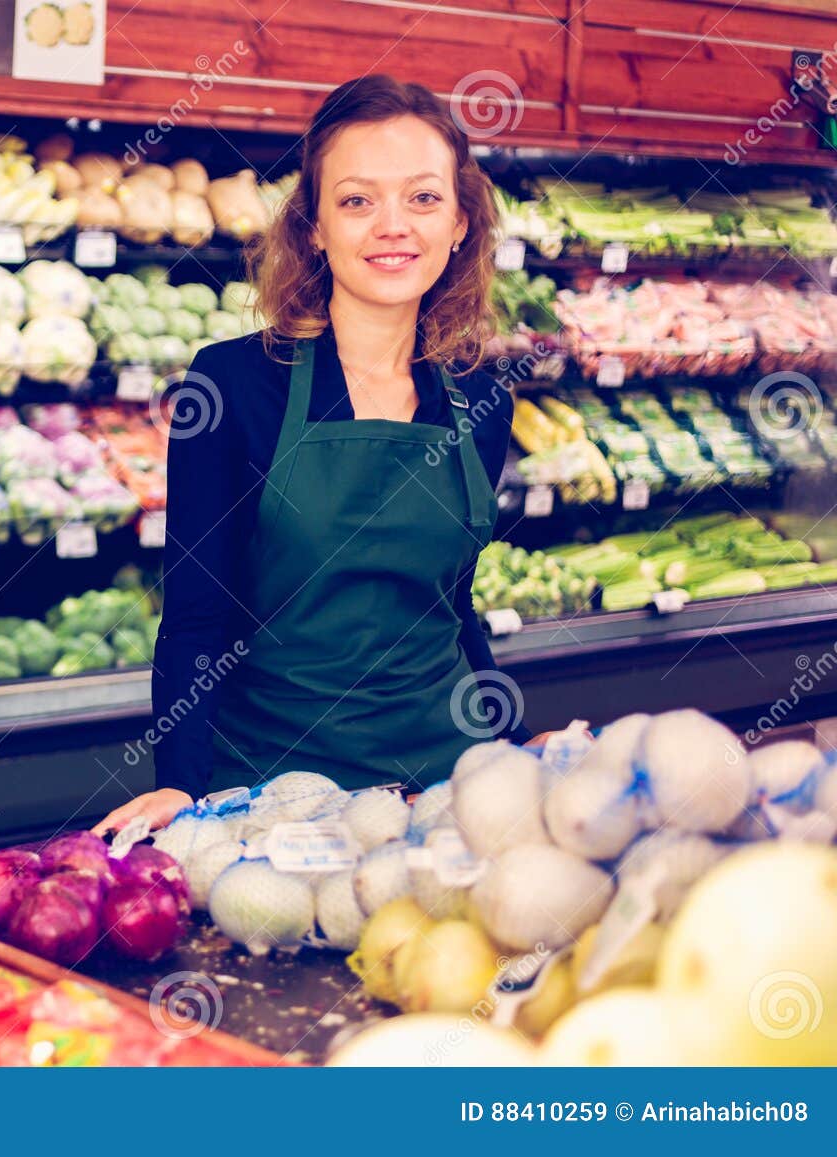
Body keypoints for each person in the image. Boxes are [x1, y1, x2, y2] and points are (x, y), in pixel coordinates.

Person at [96, 75, 539, 836]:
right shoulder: (234, 383)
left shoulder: (482, 394)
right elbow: (195, 617)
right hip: (276, 801)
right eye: (358, 200)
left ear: (463, 221)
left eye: (423, 199)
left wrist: (516, 748)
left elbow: (451, 606)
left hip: (447, 794)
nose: (392, 226)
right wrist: (180, 783)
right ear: (314, 228)